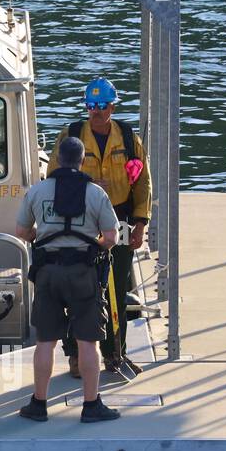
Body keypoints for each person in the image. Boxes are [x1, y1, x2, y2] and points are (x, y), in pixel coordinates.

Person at [50, 77, 152, 376]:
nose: (95, 111)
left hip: (118, 217)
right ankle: (77, 355)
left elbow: (143, 181)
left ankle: (114, 353)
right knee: (79, 286)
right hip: (81, 221)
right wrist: (88, 183)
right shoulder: (71, 135)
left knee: (117, 285)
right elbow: (53, 175)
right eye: (90, 105)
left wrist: (140, 223)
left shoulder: (128, 137)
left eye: (101, 106)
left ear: (112, 106)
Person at [15, 136, 121, 423]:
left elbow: (21, 231)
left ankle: (38, 404)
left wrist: (43, 238)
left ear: (58, 160)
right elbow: (111, 237)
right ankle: (91, 405)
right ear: (82, 160)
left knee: (45, 341)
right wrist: (91, 246)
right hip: (83, 273)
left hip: (48, 273)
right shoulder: (95, 193)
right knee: (88, 342)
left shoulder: (37, 191)